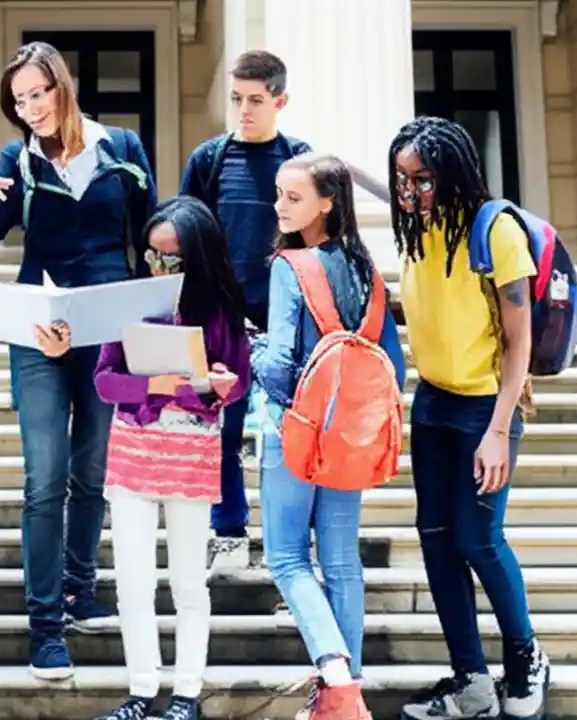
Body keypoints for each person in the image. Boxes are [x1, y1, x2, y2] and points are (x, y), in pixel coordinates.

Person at [0, 40, 157, 680]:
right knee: (44, 476)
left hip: (107, 328)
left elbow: (148, 235)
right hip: (38, 327)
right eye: (19, 101)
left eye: (37, 93)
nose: (29, 109)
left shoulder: (122, 149)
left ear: (62, 86)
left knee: (94, 466)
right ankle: (45, 626)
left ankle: (82, 587)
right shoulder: (15, 159)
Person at [390, 116, 550, 720]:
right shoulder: (419, 228)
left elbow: (518, 343)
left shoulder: (496, 232)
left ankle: (525, 657)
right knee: (436, 541)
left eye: (422, 180)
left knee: (478, 538)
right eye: (402, 181)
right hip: (432, 402)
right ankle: (471, 682)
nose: (410, 193)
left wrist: (500, 431)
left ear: (451, 175)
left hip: (487, 405)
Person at [254, 154, 405, 720]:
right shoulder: (368, 272)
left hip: (294, 430)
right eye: (278, 194)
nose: (280, 207)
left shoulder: (290, 266)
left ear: (327, 203)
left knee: (288, 558)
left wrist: (251, 353)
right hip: (353, 436)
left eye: (293, 198)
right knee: (341, 561)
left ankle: (336, 674)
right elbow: (394, 363)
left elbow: (277, 367)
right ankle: (347, 700)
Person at [91, 196, 251, 720]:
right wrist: (165, 385)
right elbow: (106, 381)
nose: (160, 268)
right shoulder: (131, 302)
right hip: (133, 452)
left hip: (191, 455)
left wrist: (206, 389)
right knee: (132, 581)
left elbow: (232, 384)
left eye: (172, 258)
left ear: (199, 257)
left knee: (187, 582)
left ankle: (186, 692)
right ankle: (141, 689)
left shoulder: (221, 306)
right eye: (152, 257)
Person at [177, 50, 311, 576]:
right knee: (222, 435)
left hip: (287, 321)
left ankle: (291, 553)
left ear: (281, 100)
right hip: (222, 320)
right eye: (236, 99)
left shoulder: (300, 159)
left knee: (290, 441)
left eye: (256, 100)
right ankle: (229, 538)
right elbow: (184, 237)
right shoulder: (209, 159)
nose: (244, 110)